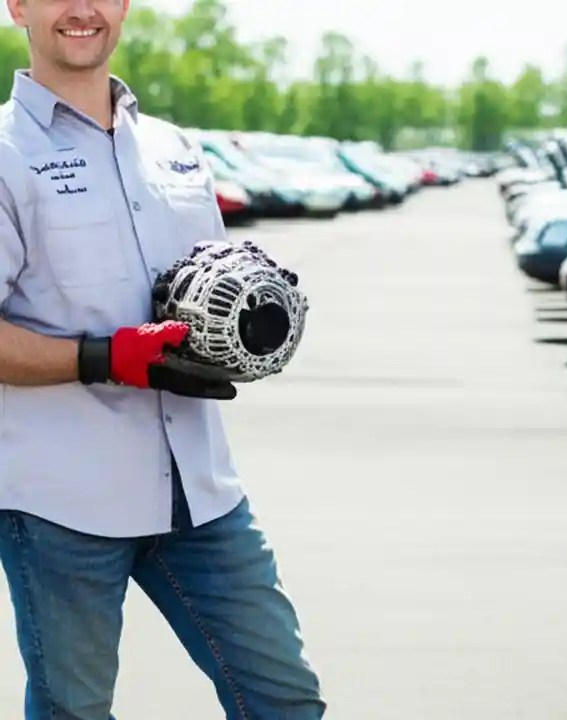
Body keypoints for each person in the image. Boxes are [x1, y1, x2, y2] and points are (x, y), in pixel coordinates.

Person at [0, 0, 326, 718]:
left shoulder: (176, 148)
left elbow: (207, 289)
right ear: (19, 5)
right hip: (61, 507)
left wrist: (252, 323)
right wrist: (105, 356)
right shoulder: (4, 154)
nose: (82, 10)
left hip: (201, 495)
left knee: (286, 701)